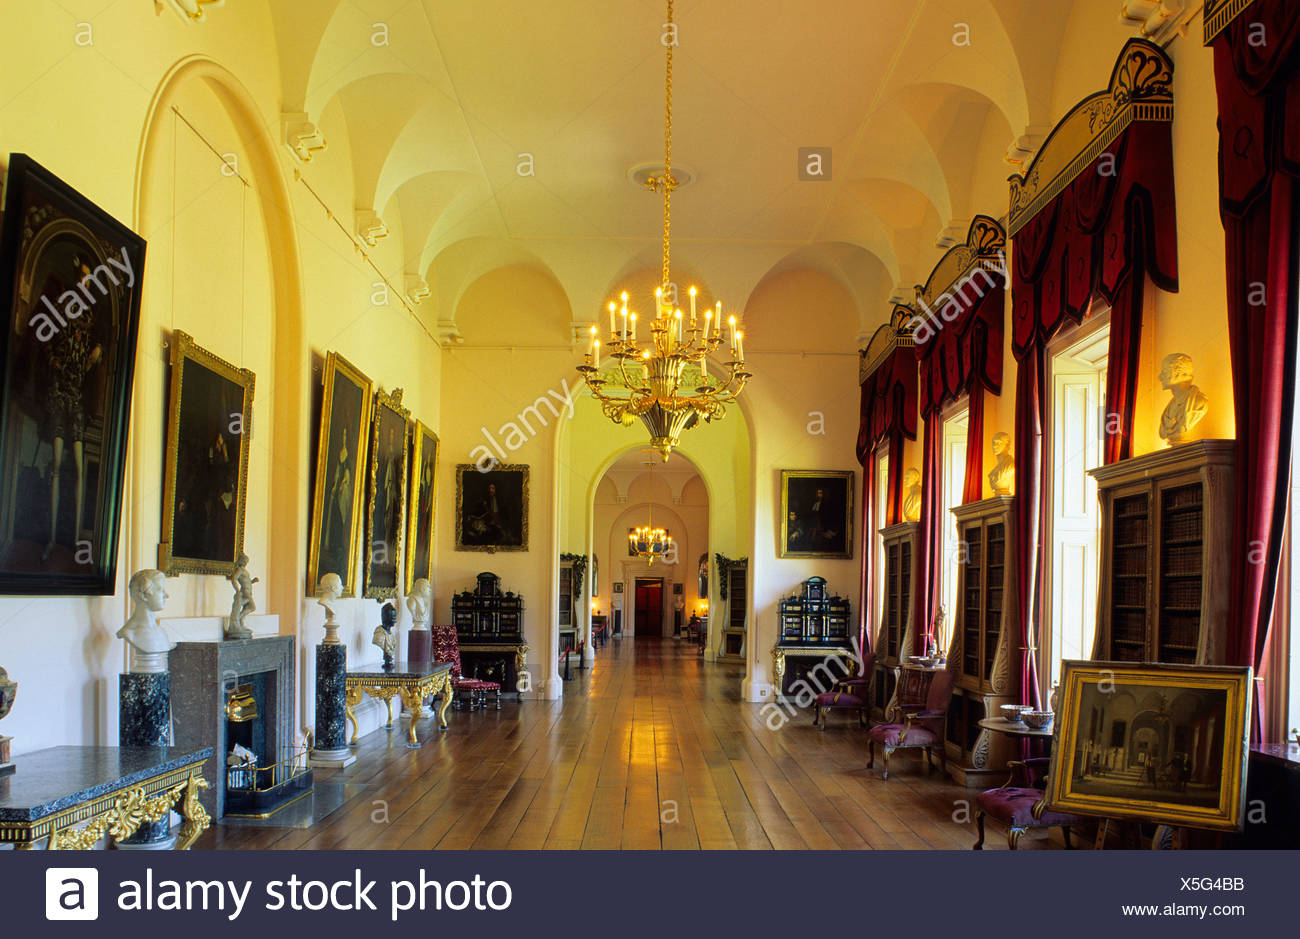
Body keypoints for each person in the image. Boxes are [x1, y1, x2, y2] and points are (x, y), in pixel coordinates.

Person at [117, 569, 174, 672]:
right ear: (143, 595)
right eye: (161, 590)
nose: (166, 595)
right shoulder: (129, 632)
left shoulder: (161, 632)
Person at [1158, 353, 1209, 445]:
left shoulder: (1199, 402)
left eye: (1164, 372)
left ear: (1180, 373)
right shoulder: (1170, 406)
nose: (1160, 377)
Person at [225, 553, 258, 639]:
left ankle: (239, 622)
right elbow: (234, 579)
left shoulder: (245, 571)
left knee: (246, 607)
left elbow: (246, 581)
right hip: (245, 591)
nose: (245, 562)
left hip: (249, 591)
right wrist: (237, 590)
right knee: (252, 607)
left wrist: (252, 581)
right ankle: (237, 620)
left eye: (246, 561)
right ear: (241, 561)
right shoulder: (239, 570)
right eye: (244, 561)